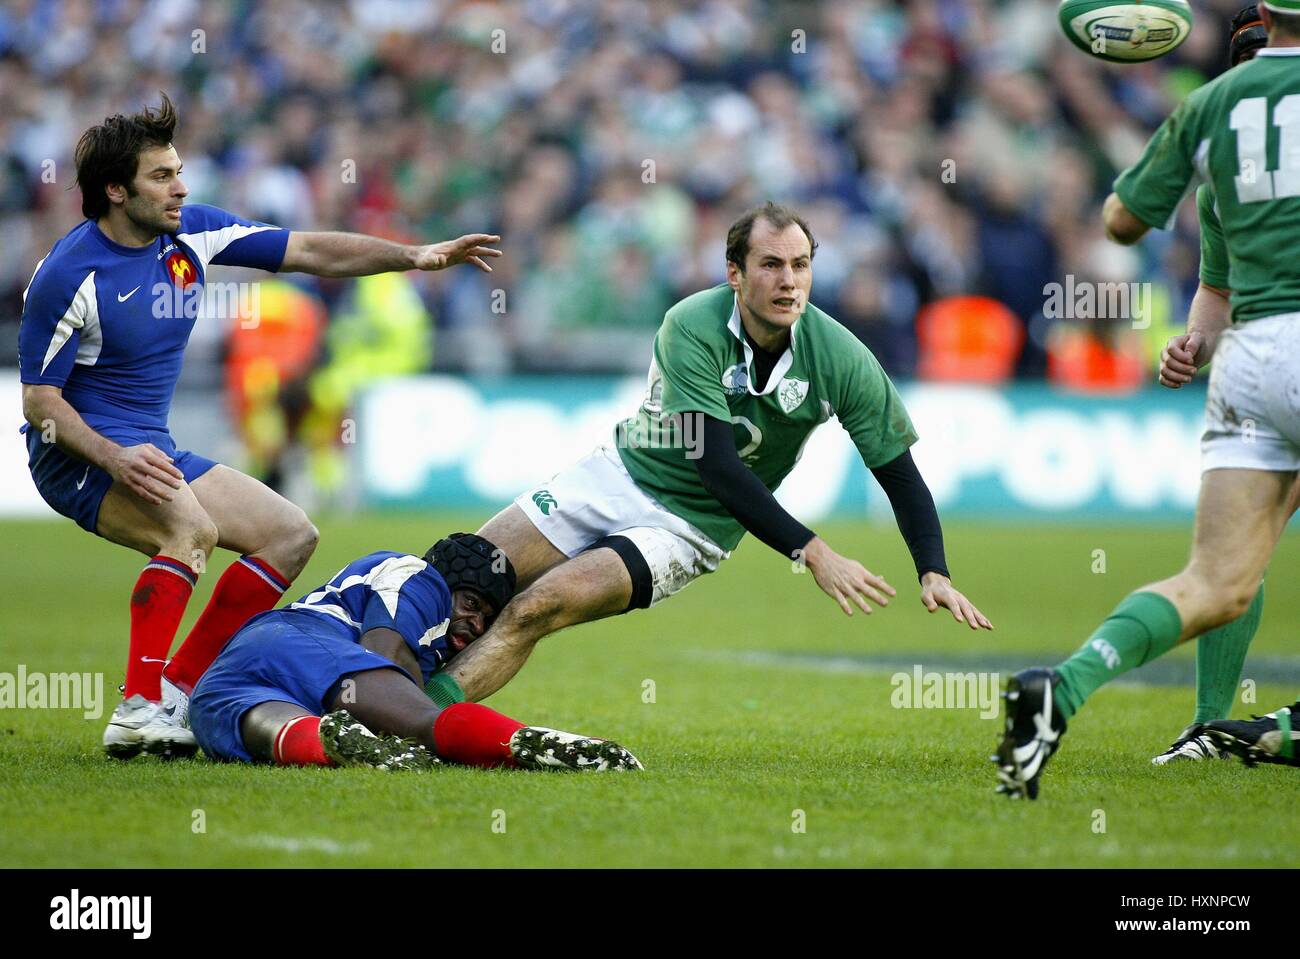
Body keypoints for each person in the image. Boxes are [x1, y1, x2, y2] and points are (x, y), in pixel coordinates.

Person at [17, 93, 500, 758]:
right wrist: (114, 457)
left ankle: (177, 697)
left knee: (289, 533)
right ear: (114, 191)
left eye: (179, 171)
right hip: (77, 454)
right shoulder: (68, 275)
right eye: (162, 176)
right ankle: (136, 707)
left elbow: (308, 251)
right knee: (190, 529)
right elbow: (40, 402)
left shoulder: (191, 236)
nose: (181, 186)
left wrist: (413, 257)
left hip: (152, 447)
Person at [427, 202, 991, 711]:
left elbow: (899, 475)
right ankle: (368, 684)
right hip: (615, 475)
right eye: (771, 264)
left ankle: (416, 719)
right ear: (735, 273)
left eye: (800, 265)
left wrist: (933, 569)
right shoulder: (692, 325)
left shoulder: (842, 357)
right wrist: (814, 553)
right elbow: (717, 464)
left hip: (690, 528)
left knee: (536, 607)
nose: (789, 281)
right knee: (460, 579)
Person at [995, 1, 1300, 798]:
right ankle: (1278, 730)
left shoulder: (1215, 116)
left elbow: (1127, 223)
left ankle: (1061, 689)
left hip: (1250, 362)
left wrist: (1194, 342)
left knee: (1217, 580)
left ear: (1263, 20)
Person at [189, 533, 642, 772]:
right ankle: (534, 743)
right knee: (423, 725)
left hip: (220, 689)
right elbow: (381, 652)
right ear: (448, 584)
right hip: (298, 642)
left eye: (486, 618)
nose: (476, 624)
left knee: (284, 730)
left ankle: (327, 741)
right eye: (470, 604)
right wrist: (432, 726)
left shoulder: (428, 620)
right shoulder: (419, 575)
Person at [1149, 3, 1278, 766]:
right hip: (1265, 371)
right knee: (1235, 556)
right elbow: (1218, 291)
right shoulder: (1225, 180)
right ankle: (1210, 725)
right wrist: (1195, 344)